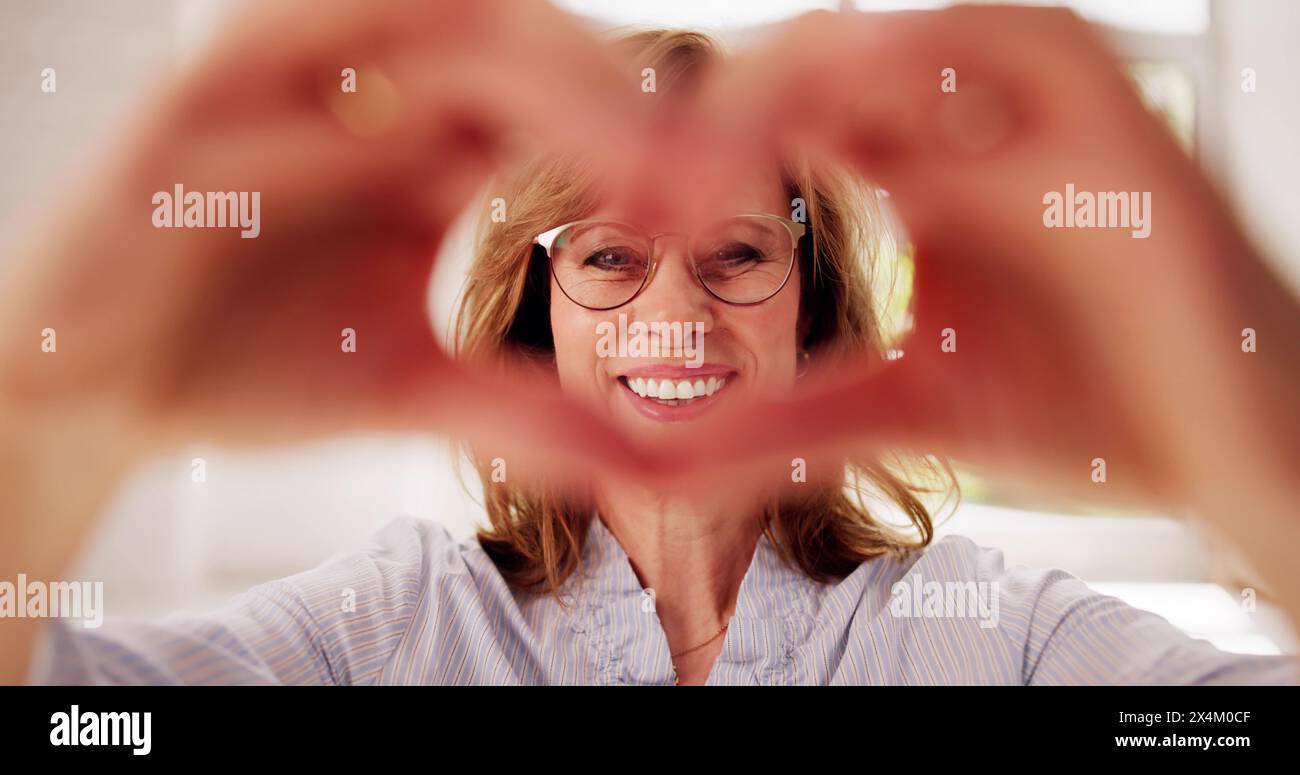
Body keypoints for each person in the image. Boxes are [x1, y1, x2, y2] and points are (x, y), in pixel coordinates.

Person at [2, 1, 1298, 685]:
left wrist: (1255, 454)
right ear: (536, 312)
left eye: (738, 257)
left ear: (815, 305)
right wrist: (53, 420)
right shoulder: (384, 626)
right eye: (611, 260)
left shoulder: (989, 634)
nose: (674, 320)